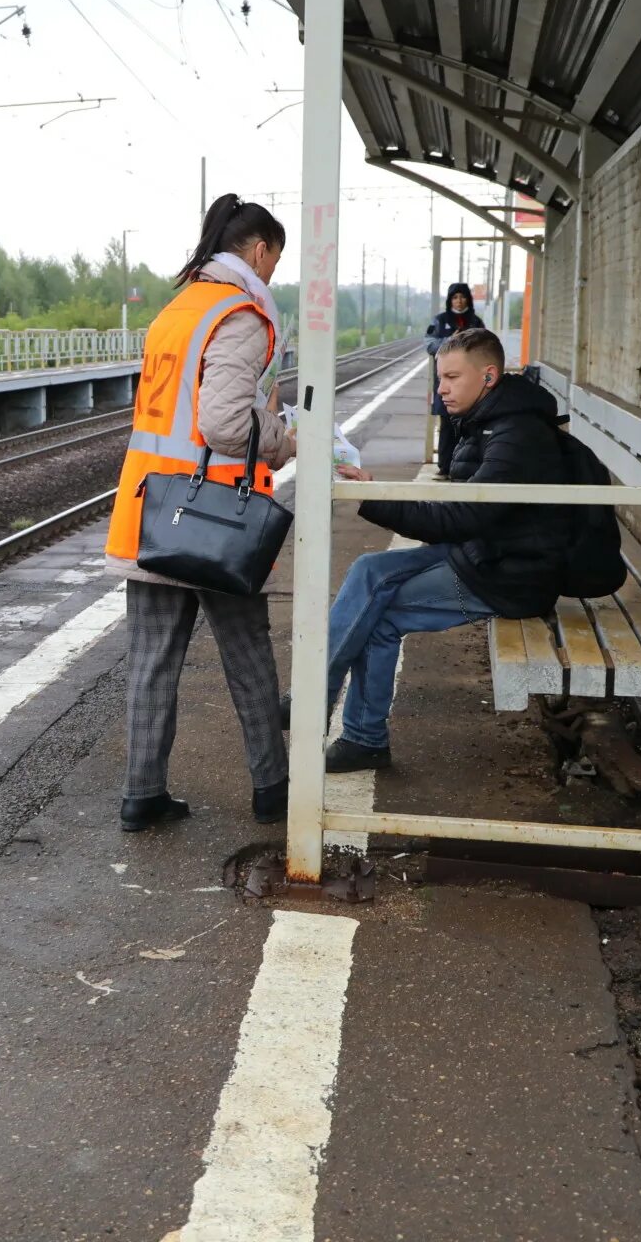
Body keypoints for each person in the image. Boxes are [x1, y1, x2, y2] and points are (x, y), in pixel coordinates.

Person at [104, 193, 298, 832]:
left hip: (155, 510)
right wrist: (285, 436)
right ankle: (272, 789)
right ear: (260, 250)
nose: (271, 277)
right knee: (247, 655)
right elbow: (220, 423)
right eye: (273, 262)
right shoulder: (239, 315)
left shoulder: (177, 308)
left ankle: (141, 794)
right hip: (220, 520)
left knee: (152, 660)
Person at [325, 327, 573, 771]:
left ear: (489, 376)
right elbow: (461, 507)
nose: (441, 388)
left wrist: (372, 501)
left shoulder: (515, 435)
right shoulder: (488, 421)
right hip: (487, 551)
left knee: (380, 618)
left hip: (510, 575)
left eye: (452, 378)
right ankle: (321, 700)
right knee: (368, 569)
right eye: (440, 378)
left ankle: (359, 734)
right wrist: (378, 490)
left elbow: (459, 519)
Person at [423, 282, 484, 476]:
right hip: (446, 382)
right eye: (455, 297)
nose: (459, 301)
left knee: (470, 424)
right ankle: (445, 466)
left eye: (463, 297)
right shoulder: (440, 321)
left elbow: (485, 347)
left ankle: (466, 468)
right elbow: (429, 345)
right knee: (447, 424)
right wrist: (451, 341)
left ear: (468, 299)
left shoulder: (476, 322)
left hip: (471, 383)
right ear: (450, 300)